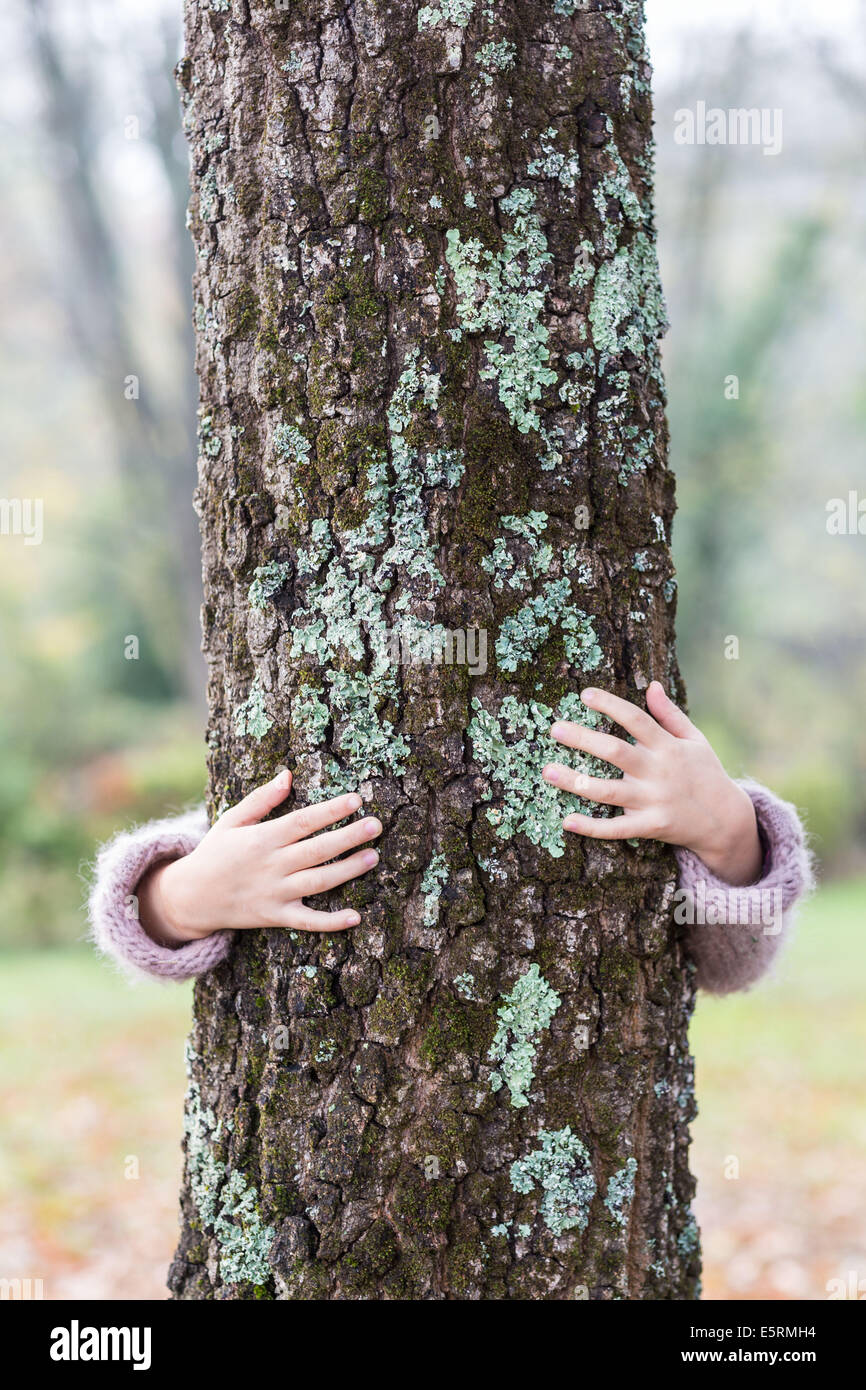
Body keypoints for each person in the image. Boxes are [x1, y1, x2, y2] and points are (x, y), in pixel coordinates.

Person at [89, 682, 813, 996]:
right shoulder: (265, 821)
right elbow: (140, 908)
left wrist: (728, 835)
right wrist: (187, 897)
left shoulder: (661, 796)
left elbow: (731, 966)